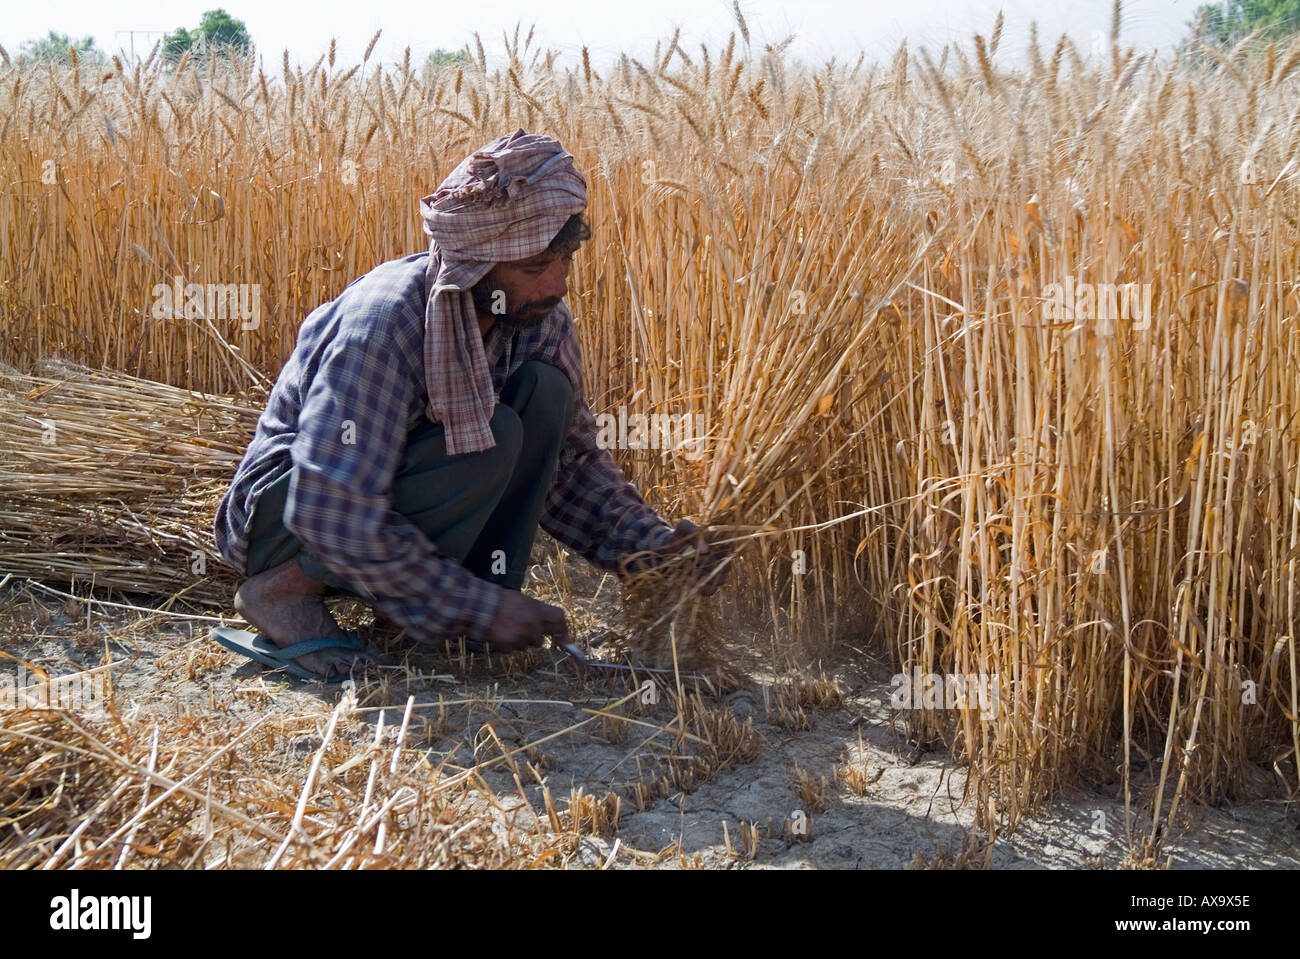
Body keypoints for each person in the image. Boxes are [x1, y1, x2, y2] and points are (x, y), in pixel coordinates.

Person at [211, 129, 727, 681]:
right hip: (291, 518)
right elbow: (330, 508)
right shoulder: (386, 322)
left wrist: (649, 552)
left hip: (368, 512)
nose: (558, 284)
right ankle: (285, 592)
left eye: (564, 259)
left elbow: (572, 466)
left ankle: (447, 614)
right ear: (478, 261)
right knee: (492, 434)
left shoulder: (537, 319)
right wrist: (479, 608)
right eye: (533, 267)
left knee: (544, 396)